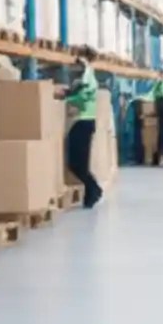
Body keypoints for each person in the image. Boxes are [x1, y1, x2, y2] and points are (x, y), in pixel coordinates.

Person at [55, 54, 103, 208]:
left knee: (77, 164)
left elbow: (82, 98)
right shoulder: (86, 79)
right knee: (79, 163)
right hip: (83, 122)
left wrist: (65, 99)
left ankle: (94, 189)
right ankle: (92, 192)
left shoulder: (88, 79)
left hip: (83, 121)